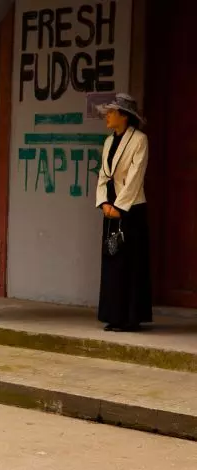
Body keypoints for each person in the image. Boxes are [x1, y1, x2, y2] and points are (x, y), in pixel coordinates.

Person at [95, 93, 152, 332]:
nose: (107, 116)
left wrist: (120, 207)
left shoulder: (139, 140)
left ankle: (131, 317)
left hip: (131, 208)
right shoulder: (108, 142)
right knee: (112, 259)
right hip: (111, 206)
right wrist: (104, 203)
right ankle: (113, 315)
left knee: (131, 262)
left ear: (124, 116)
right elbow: (103, 174)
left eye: (112, 112)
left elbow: (136, 177)